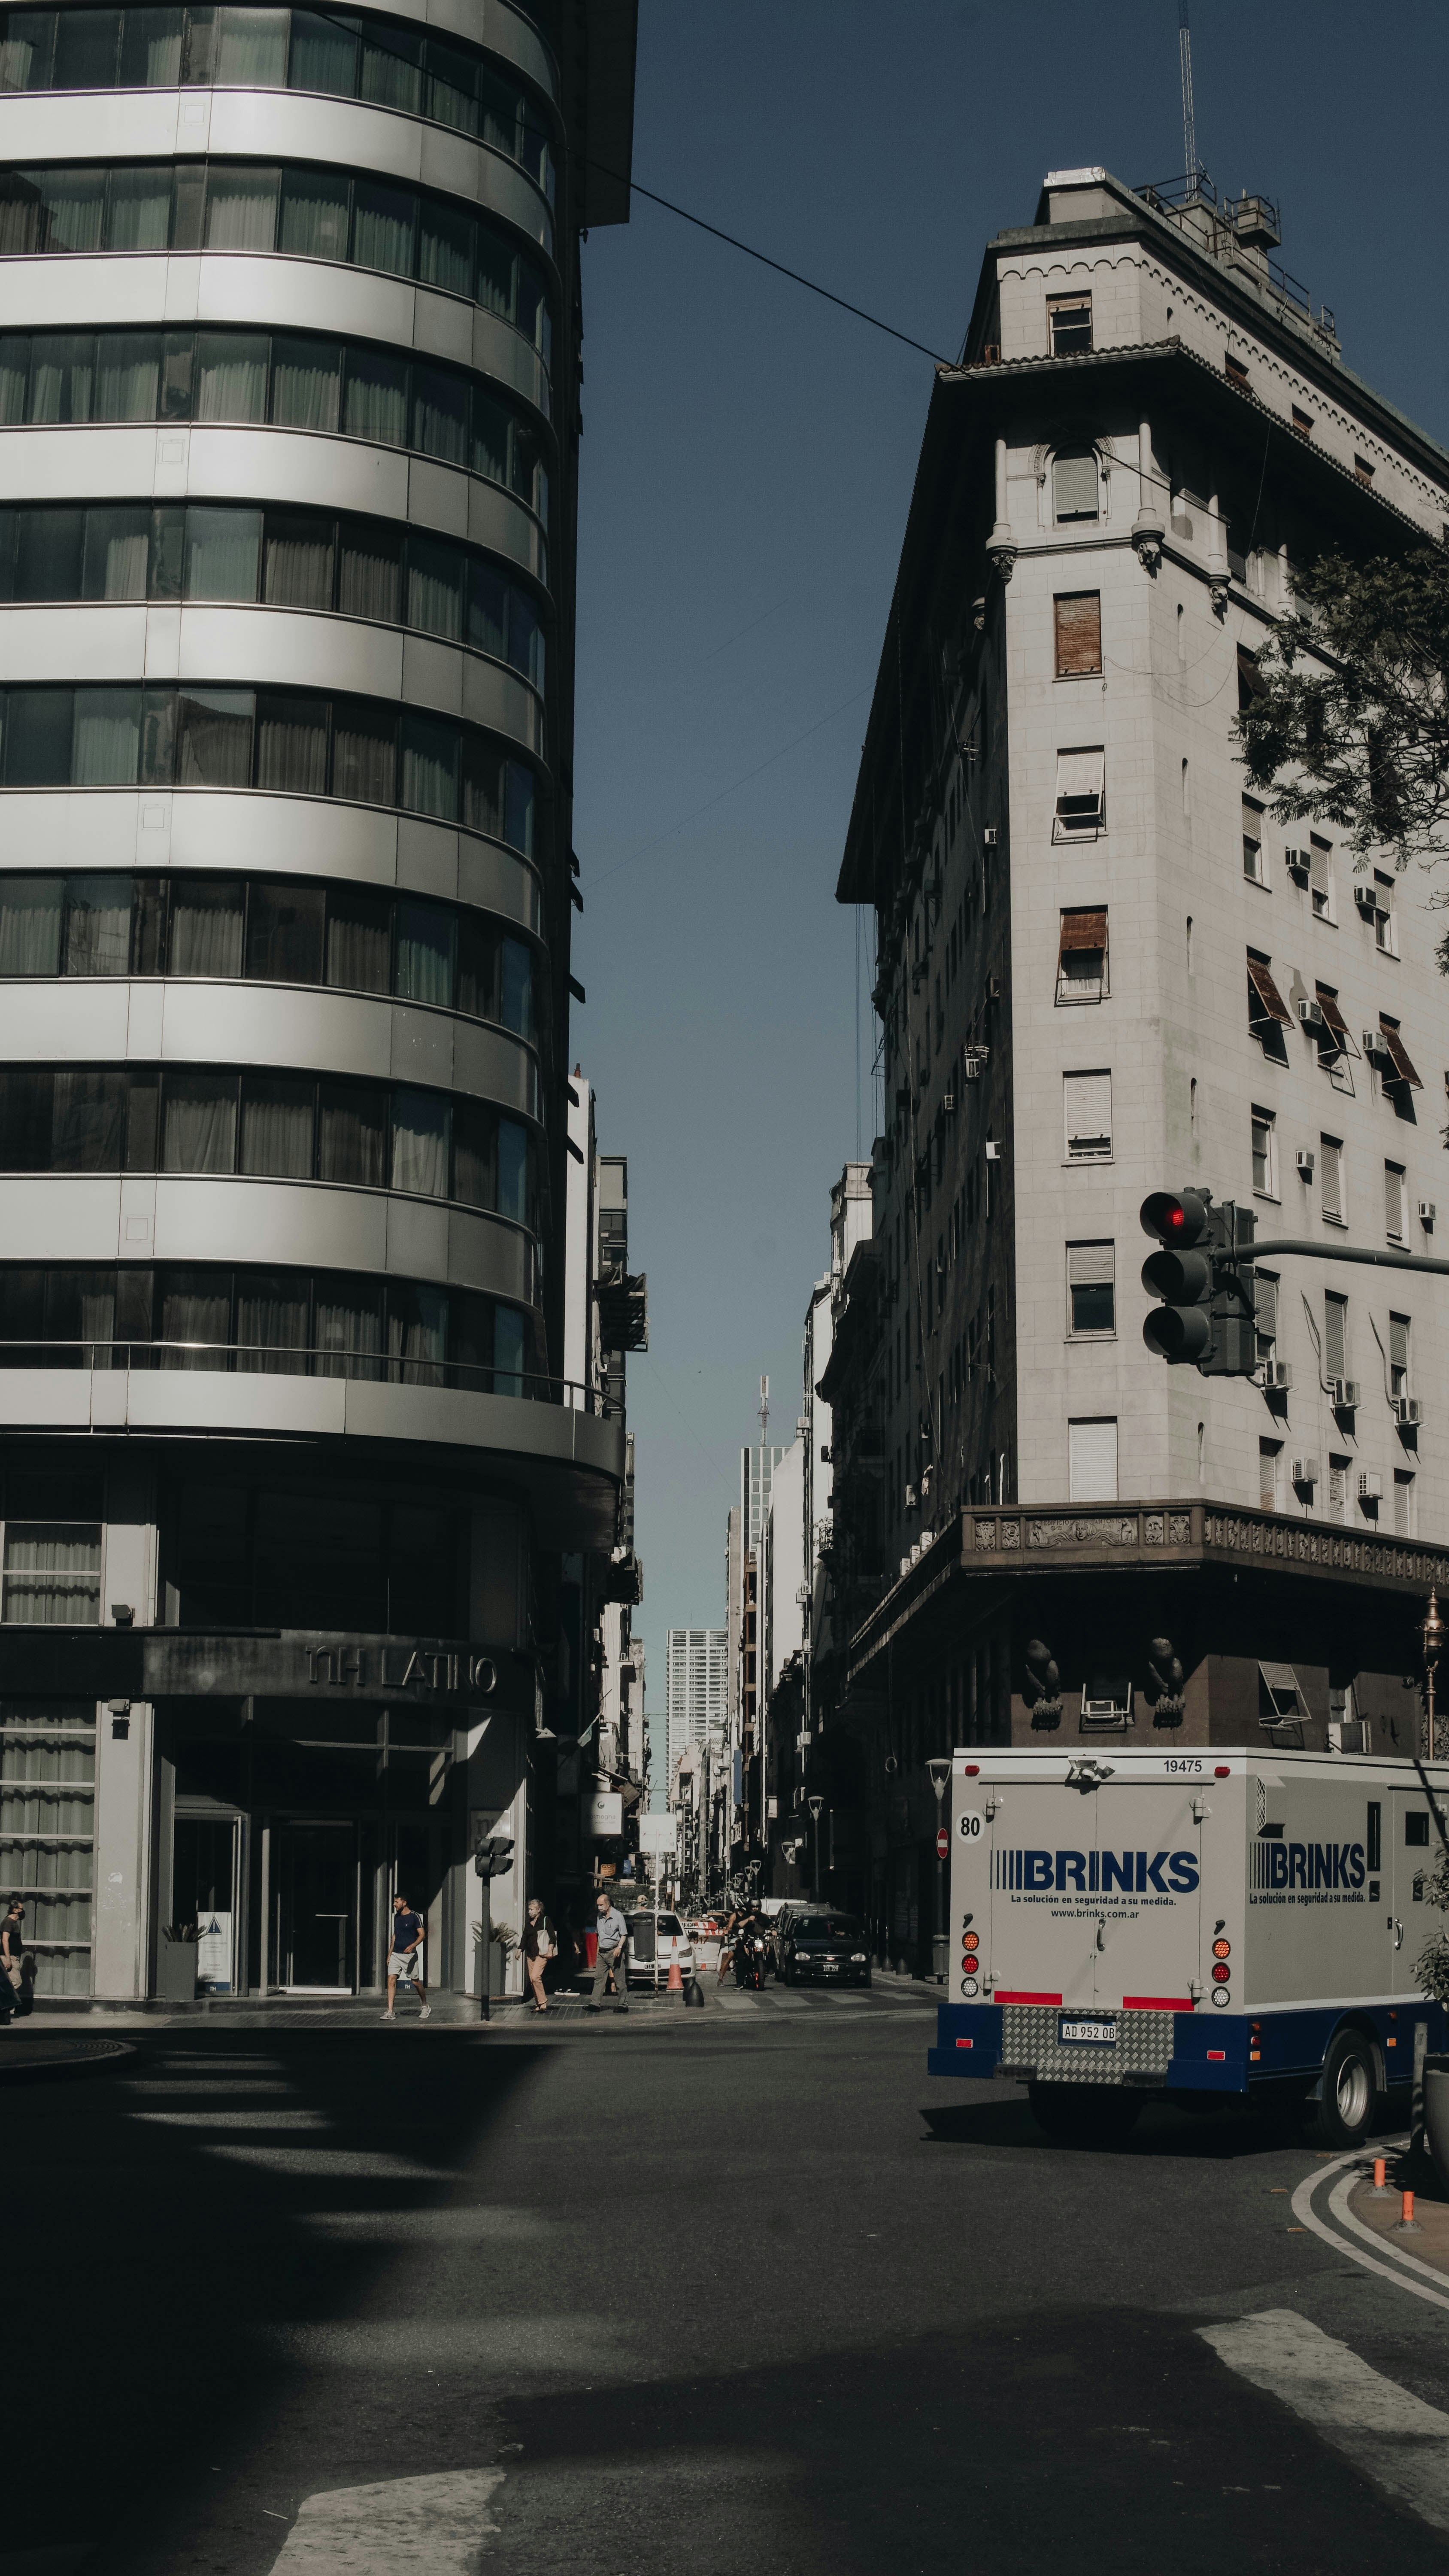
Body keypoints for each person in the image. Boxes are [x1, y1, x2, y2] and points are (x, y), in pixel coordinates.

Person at [380, 1890, 431, 2021]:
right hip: (396, 1954)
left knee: (416, 1982)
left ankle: (425, 2005)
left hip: (409, 1956)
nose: (394, 1904)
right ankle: (391, 2011)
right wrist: (390, 1954)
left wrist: (413, 1946)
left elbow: (422, 1935)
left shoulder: (414, 1916)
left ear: (404, 1903)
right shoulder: (397, 1917)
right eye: (394, 1902)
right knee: (391, 1979)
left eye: (397, 1902)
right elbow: (395, 1936)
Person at [586, 1889, 629, 2013]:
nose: (599, 1908)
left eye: (601, 1905)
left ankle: (623, 2004)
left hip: (614, 1952)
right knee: (599, 1979)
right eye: (598, 1905)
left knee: (619, 1980)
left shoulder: (618, 1916)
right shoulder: (600, 1916)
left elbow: (624, 1935)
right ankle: (595, 2004)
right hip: (602, 1952)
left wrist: (619, 1948)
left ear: (608, 1904)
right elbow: (599, 1934)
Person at [521, 1896, 555, 2014]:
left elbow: (552, 1937)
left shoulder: (546, 1920)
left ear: (538, 1910)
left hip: (542, 1954)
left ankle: (543, 2002)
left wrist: (550, 1950)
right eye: (529, 1910)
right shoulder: (529, 1923)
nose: (529, 1912)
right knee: (532, 1980)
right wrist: (520, 1950)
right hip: (530, 1955)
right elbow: (525, 1938)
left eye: (532, 1909)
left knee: (536, 1977)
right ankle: (539, 2004)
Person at [1, 1897, 33, 2020]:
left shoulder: (14, 1923)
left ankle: (8, 2010)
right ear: (15, 1910)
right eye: (21, 1909)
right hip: (9, 1958)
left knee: (10, 1983)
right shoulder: (8, 1922)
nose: (23, 1912)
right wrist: (8, 1959)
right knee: (15, 1982)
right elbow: (4, 1940)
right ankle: (5, 2008)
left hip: (14, 1958)